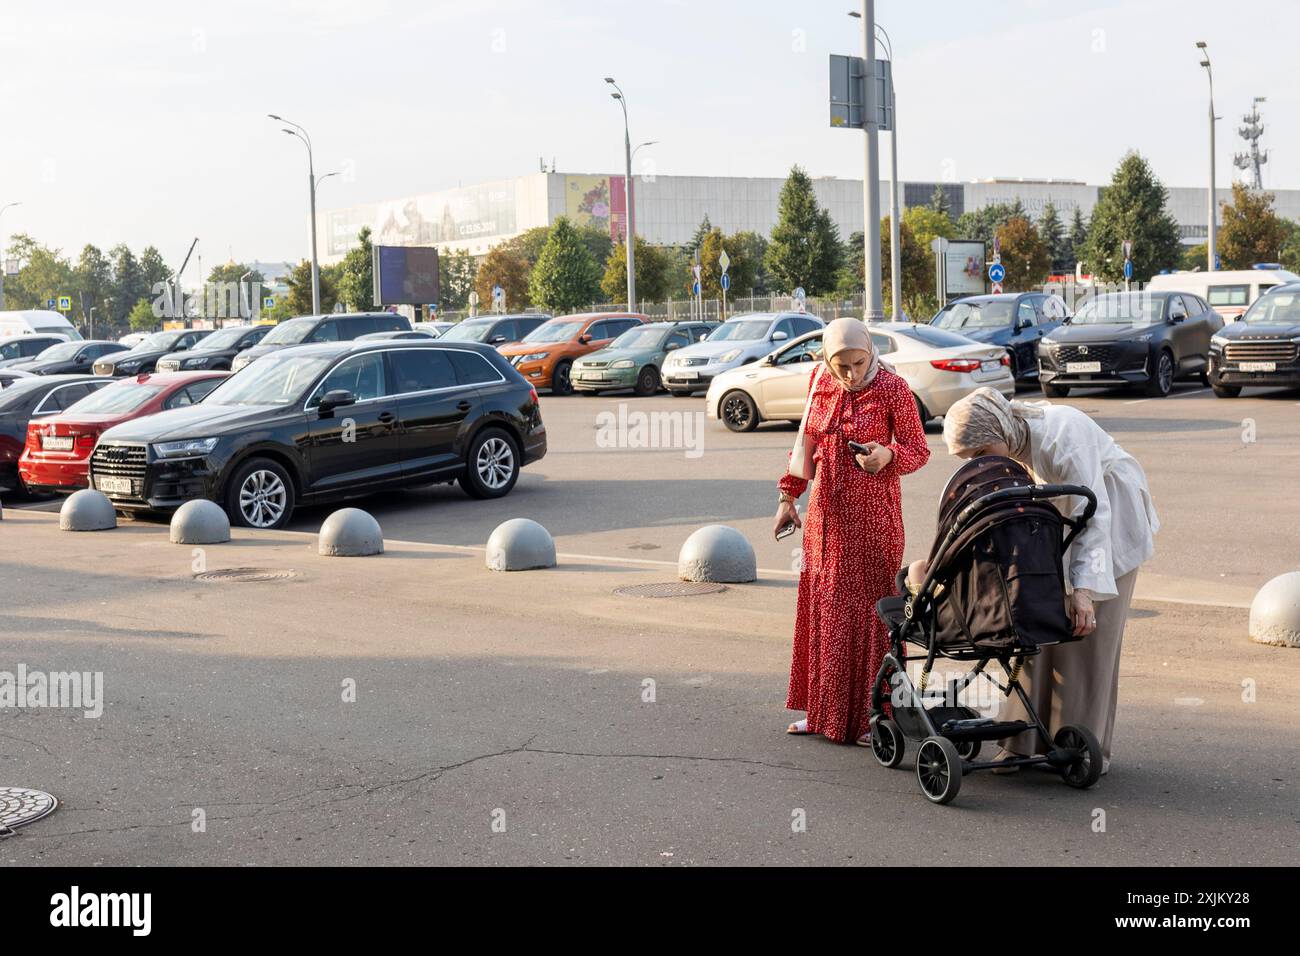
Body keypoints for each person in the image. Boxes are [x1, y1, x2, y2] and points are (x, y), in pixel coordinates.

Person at [940, 387, 1159, 774]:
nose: (979, 463)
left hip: (1111, 513)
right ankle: (1022, 742)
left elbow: (1095, 517)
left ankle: (1081, 747)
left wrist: (1085, 593)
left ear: (997, 429)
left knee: (1088, 637)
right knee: (1034, 622)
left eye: (978, 452)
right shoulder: (1012, 439)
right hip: (1063, 519)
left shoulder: (1064, 435)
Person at [775, 318, 930, 745]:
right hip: (825, 521)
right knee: (824, 613)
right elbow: (805, 443)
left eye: (858, 362)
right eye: (841, 365)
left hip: (874, 523)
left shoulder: (893, 388)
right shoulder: (818, 382)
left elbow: (919, 450)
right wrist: (788, 499)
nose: (851, 374)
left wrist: (888, 455)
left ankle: (871, 718)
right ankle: (823, 713)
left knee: (870, 618)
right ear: (827, 358)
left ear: (870, 352)